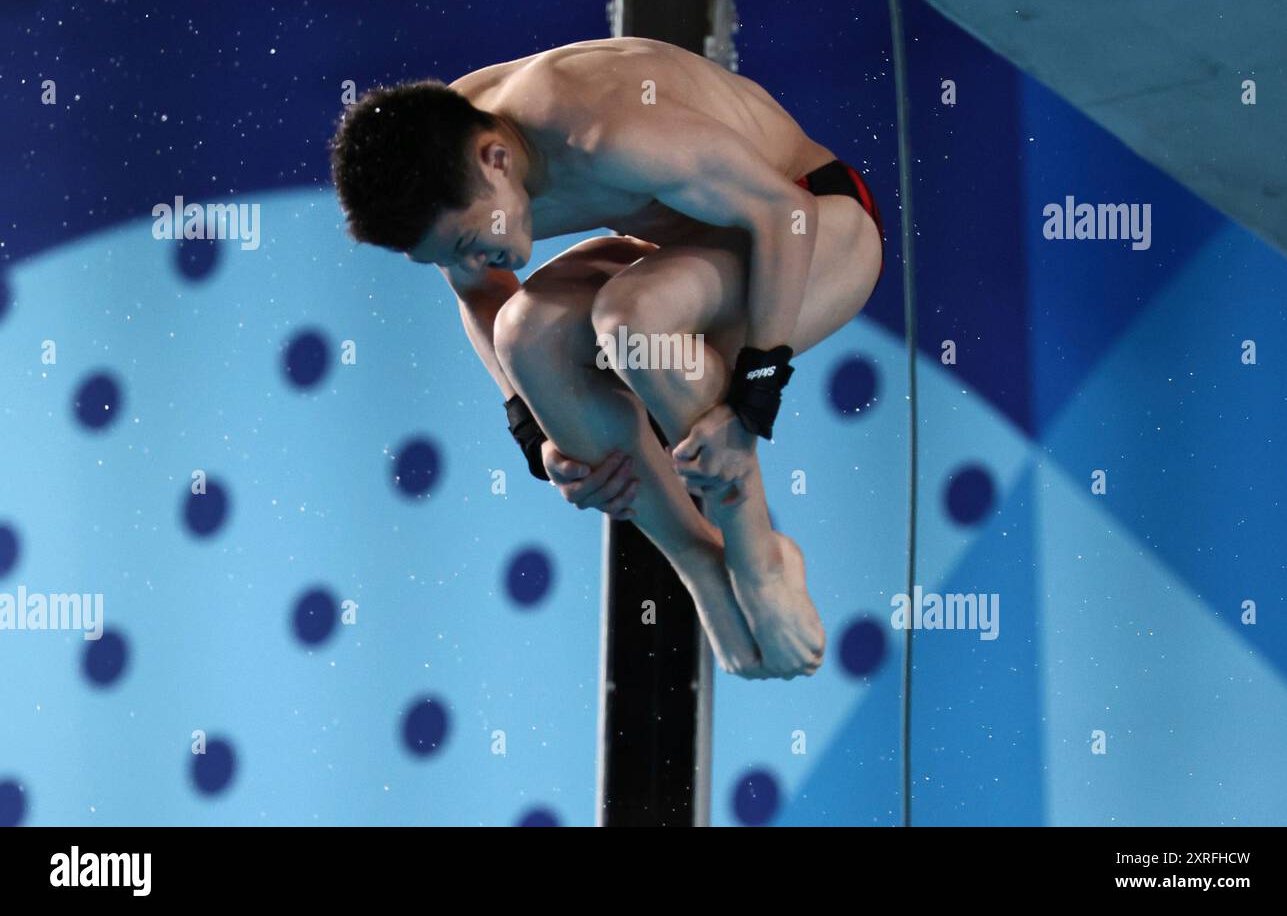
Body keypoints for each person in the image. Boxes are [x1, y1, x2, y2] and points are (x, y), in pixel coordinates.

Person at [330, 37, 884, 679]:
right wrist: (538, 431)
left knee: (633, 322)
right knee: (525, 337)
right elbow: (485, 299)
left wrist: (751, 402)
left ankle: (759, 557)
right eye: (444, 258)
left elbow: (781, 213)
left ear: (497, 158)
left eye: (466, 243)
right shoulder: (447, 154)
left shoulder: (603, 128)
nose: (470, 265)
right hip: (688, 264)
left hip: (818, 225)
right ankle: (701, 565)